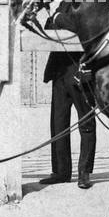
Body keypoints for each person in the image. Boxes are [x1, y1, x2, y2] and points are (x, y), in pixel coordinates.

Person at [40, 50, 95, 189]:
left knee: (86, 122)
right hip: (59, 72)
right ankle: (61, 171)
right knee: (58, 123)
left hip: (80, 73)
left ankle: (84, 173)